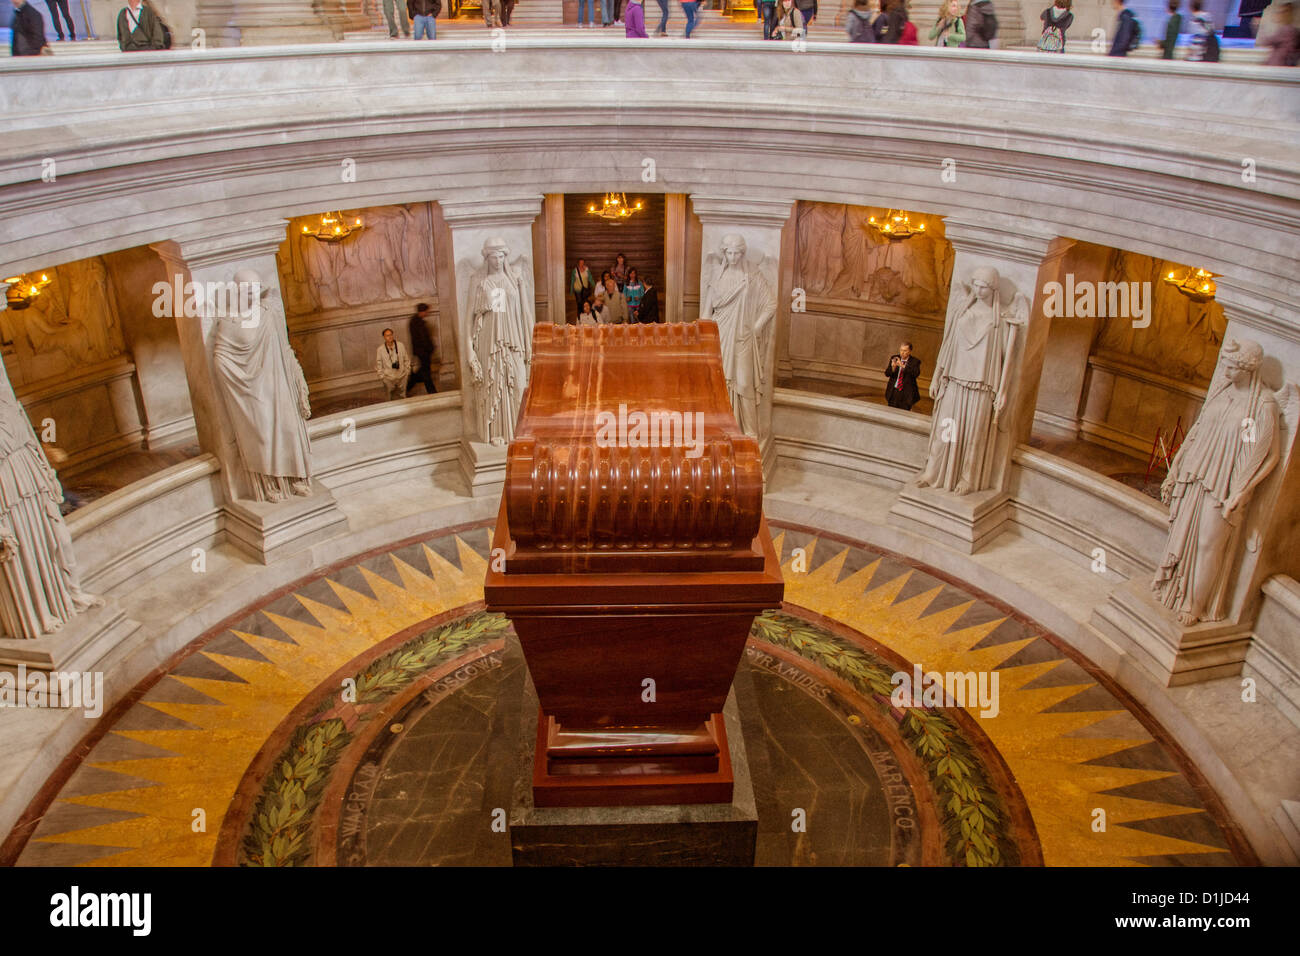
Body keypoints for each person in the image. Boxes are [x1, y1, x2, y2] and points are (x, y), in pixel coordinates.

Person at [1153, 340, 1279, 625]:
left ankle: (1196, 606)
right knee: (1181, 537)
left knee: (1209, 544)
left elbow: (1271, 456)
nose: (1225, 371)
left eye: (1232, 367)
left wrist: (1243, 491)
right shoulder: (1222, 393)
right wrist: (1175, 471)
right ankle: (1175, 590)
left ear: (1248, 368)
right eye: (1225, 364)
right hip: (1194, 475)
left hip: (1223, 485)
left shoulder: (1263, 404)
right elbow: (1195, 433)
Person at [915, 268, 1026, 495]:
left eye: (983, 286)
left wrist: (1003, 391)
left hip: (980, 389)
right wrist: (938, 375)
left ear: (993, 288)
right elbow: (947, 346)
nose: (978, 290)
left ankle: (967, 478)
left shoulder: (1000, 321)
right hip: (954, 382)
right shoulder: (962, 312)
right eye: (975, 284)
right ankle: (934, 472)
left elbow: (1006, 360)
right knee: (945, 432)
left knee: (972, 437)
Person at [408, 303, 439, 395]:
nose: (428, 313)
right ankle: (431, 391)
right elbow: (423, 339)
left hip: (420, 351)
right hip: (423, 352)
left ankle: (409, 385)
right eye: (427, 311)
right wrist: (430, 348)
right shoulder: (419, 323)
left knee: (424, 370)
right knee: (426, 372)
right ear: (423, 311)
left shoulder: (414, 321)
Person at [884, 342, 922, 410]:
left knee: (903, 414)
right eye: (901, 350)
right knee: (890, 412)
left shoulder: (915, 361)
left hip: (906, 393)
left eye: (905, 350)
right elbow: (887, 374)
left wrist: (902, 366)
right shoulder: (894, 358)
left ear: (910, 351)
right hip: (894, 391)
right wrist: (893, 367)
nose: (902, 352)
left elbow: (915, 374)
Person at [375, 328, 411, 401]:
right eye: (387, 335)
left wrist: (407, 371)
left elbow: (406, 359)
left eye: (391, 335)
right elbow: (379, 364)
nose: (390, 337)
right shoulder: (380, 349)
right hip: (388, 378)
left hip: (402, 375)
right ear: (384, 337)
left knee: (403, 396)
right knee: (389, 397)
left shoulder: (400, 345)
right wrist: (382, 377)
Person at [1259, 0, 1299, 65]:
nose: (1279, 14)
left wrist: (1259, 27)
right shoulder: (1293, 30)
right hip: (1281, 64)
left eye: (1282, 12)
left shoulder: (1287, 30)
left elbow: (1265, 42)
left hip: (1278, 64)